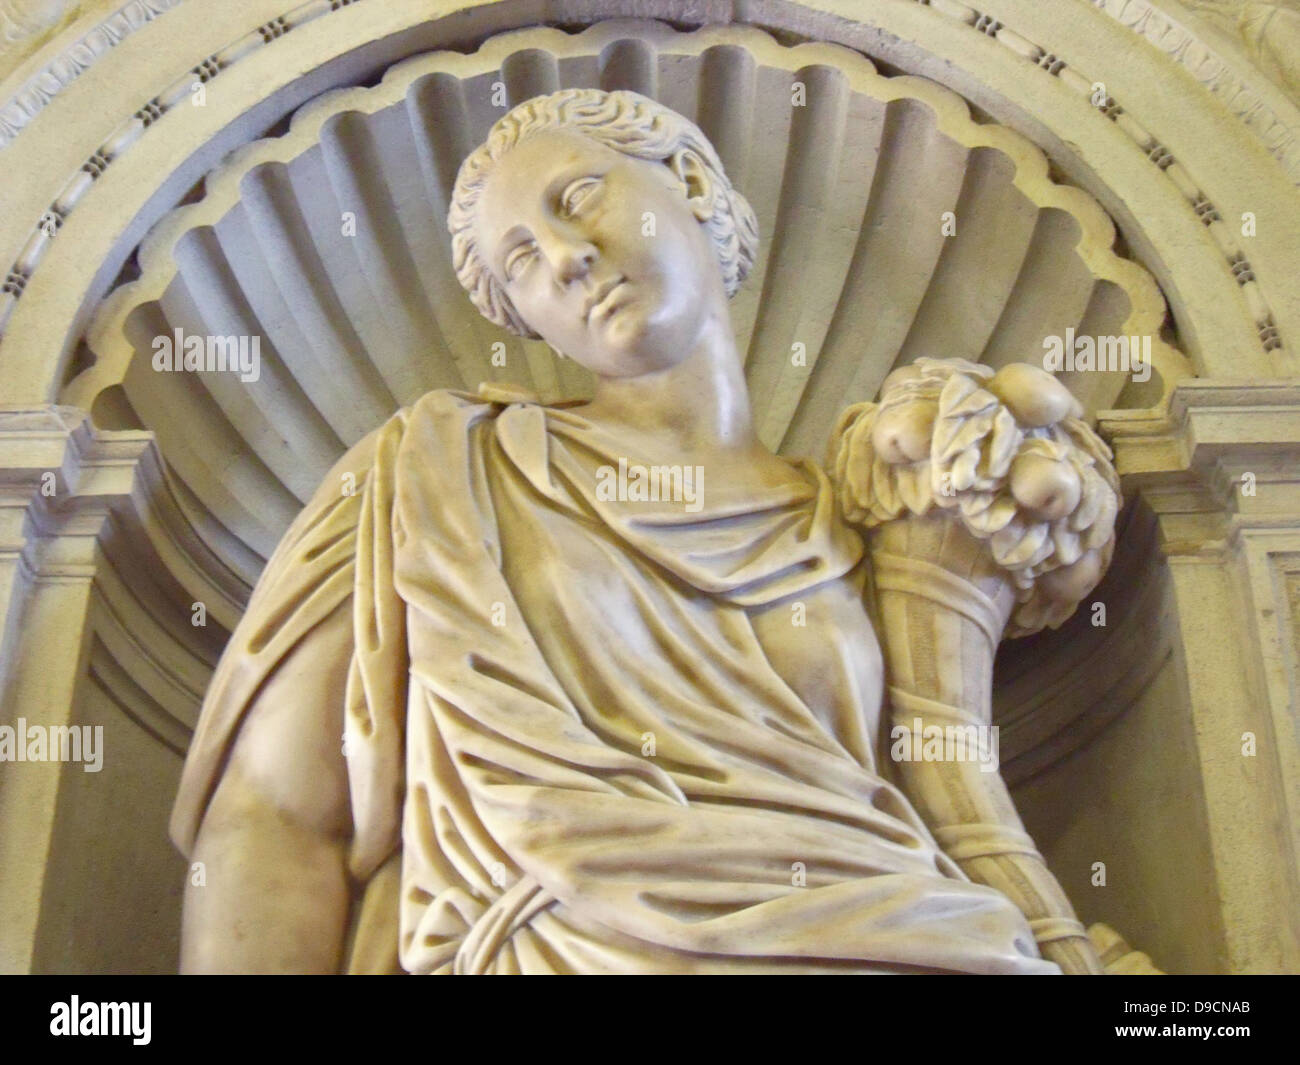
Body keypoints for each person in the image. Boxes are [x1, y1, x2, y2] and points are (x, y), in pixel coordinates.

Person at [170, 88, 1094, 974]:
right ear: (521, 315)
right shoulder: (434, 474)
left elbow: (963, 812)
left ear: (689, 182)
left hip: (904, 945)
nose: (566, 255)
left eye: (578, 198)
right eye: (521, 260)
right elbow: (277, 815)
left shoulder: (862, 520)